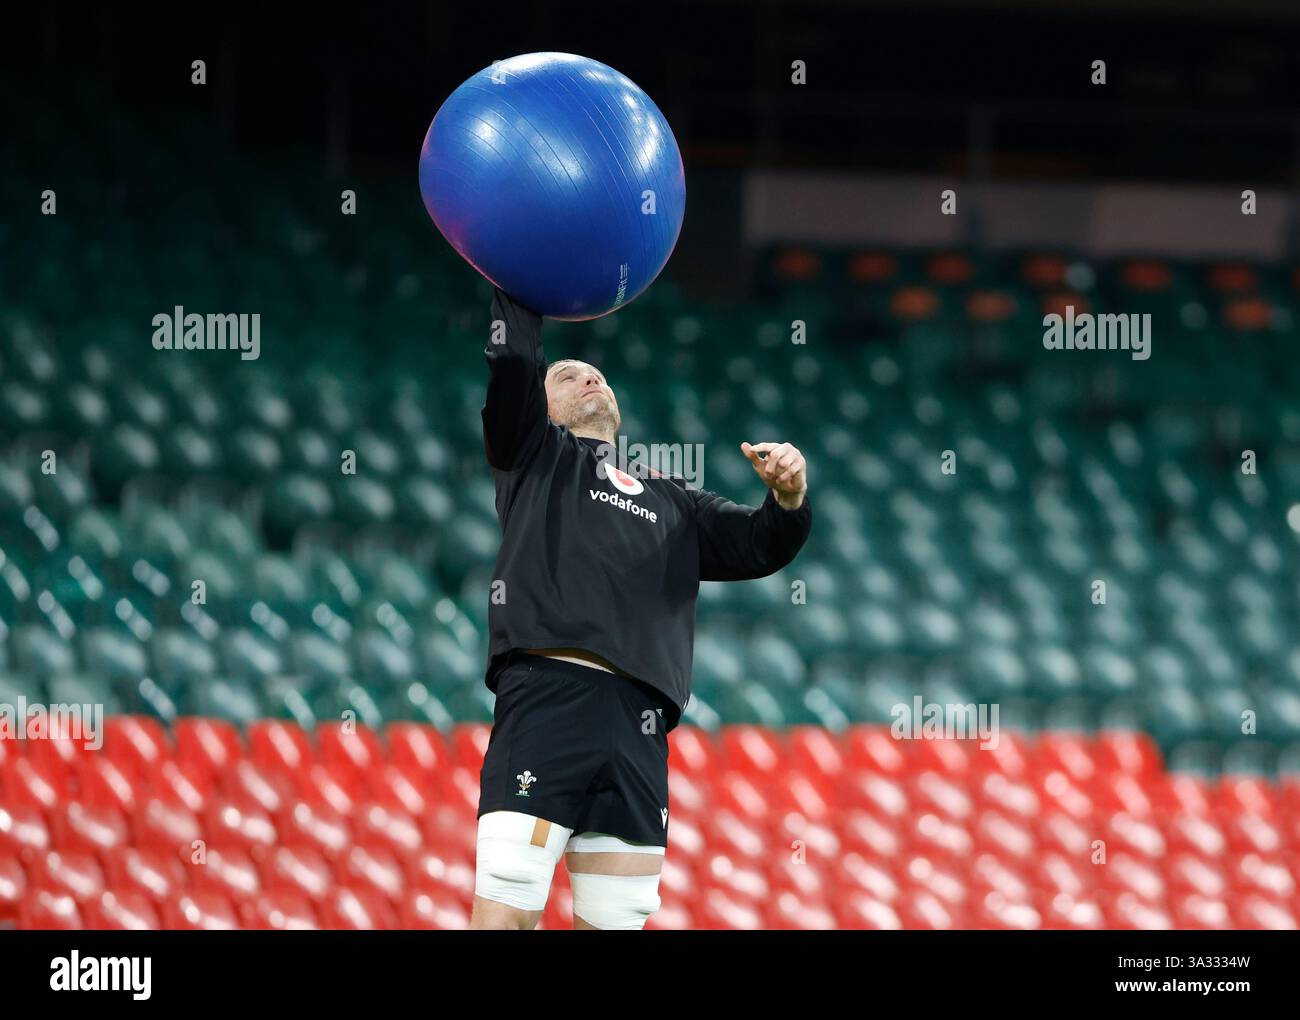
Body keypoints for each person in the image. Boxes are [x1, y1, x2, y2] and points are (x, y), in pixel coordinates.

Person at [471, 287, 812, 930]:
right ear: (536, 407)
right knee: (506, 906)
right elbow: (514, 360)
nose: (590, 377)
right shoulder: (534, 456)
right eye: (567, 376)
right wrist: (517, 277)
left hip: (641, 725)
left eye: (596, 372)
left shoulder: (674, 498)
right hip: (549, 696)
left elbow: (759, 544)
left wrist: (789, 497)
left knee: (617, 921)